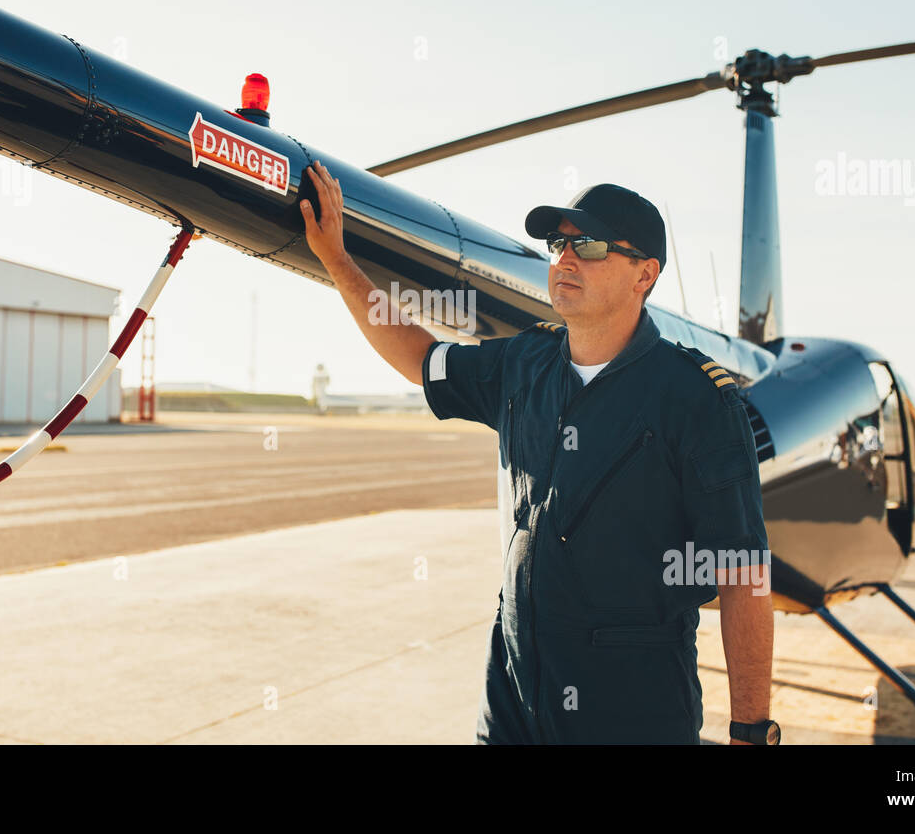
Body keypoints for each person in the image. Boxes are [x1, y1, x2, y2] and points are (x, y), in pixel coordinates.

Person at [299, 160, 776, 745]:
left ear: (644, 274)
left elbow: (743, 573)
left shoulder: (698, 400)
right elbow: (422, 360)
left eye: (591, 245)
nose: (566, 258)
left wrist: (752, 731)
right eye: (559, 243)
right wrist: (336, 260)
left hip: (632, 709)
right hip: (515, 700)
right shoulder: (523, 363)